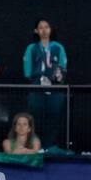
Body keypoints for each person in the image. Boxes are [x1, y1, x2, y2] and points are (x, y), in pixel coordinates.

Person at [23, 18, 67, 149]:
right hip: (36, 87)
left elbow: (63, 67)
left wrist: (58, 76)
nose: (44, 30)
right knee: (35, 118)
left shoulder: (58, 47)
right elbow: (27, 71)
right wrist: (39, 78)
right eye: (40, 27)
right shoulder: (31, 48)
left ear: (51, 29)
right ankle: (36, 147)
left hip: (55, 88)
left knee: (54, 118)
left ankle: (51, 147)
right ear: (36, 31)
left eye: (46, 27)